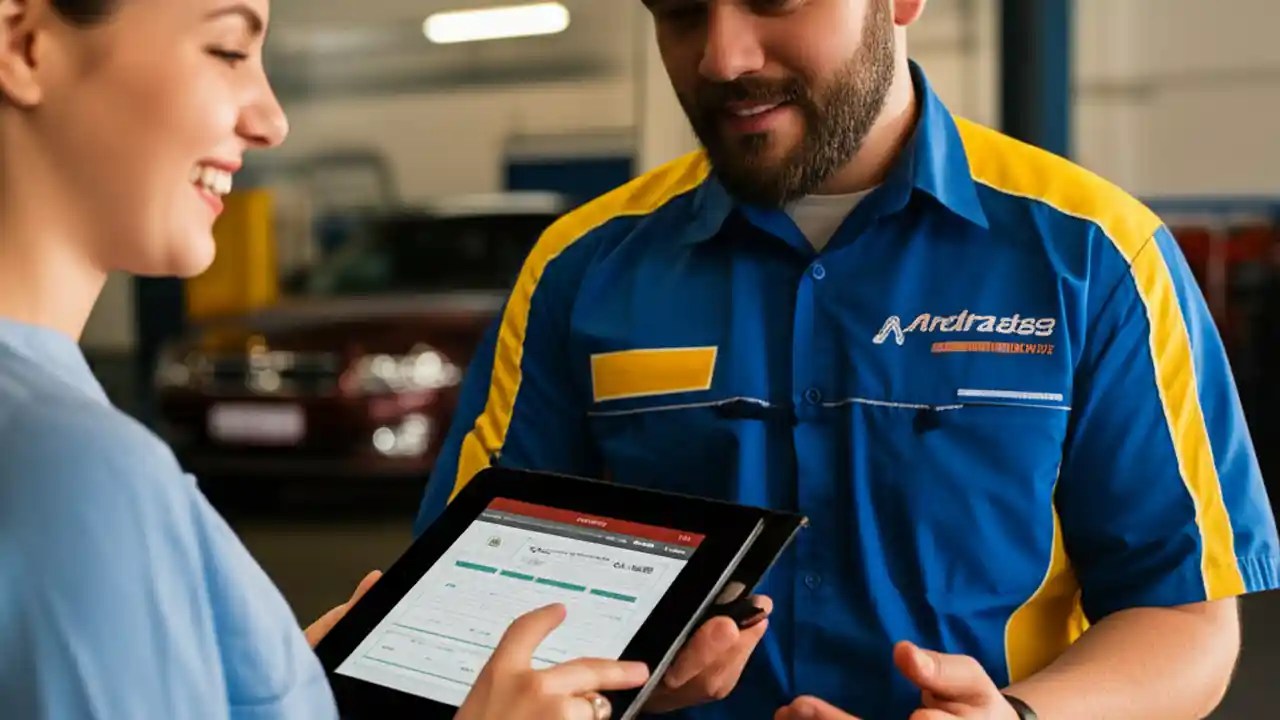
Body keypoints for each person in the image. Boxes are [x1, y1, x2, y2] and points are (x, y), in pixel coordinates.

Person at [415, 1, 1280, 719]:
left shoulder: (1095, 257)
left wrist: (1018, 717)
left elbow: (1185, 614)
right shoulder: (579, 271)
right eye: (680, 12)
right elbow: (465, 631)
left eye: (773, 1)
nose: (723, 56)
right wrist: (638, 685)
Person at [0, 2, 748, 718]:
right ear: (24, 44)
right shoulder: (73, 465)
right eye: (227, 48)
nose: (271, 117)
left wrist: (270, 681)